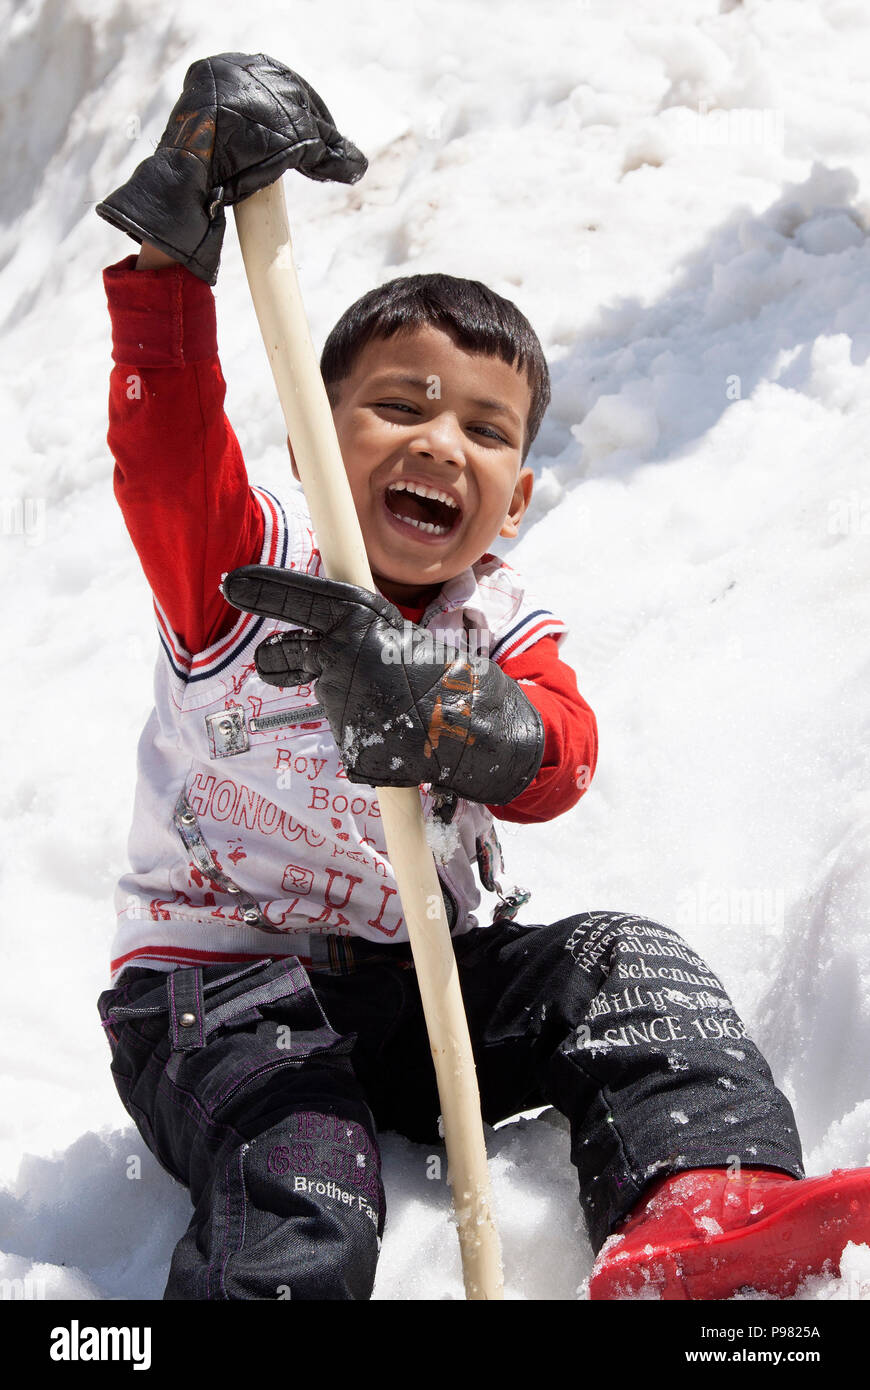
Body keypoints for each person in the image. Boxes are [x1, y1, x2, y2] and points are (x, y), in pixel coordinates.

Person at [95, 52, 869, 1301]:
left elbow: (564, 751)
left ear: (513, 503)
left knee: (629, 966)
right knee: (307, 1180)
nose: (438, 441)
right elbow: (166, 452)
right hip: (223, 1001)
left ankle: (698, 1210)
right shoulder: (243, 568)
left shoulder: (496, 621)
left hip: (423, 982)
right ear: (307, 432)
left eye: (485, 430)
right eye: (397, 403)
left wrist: (455, 713)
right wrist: (170, 262)